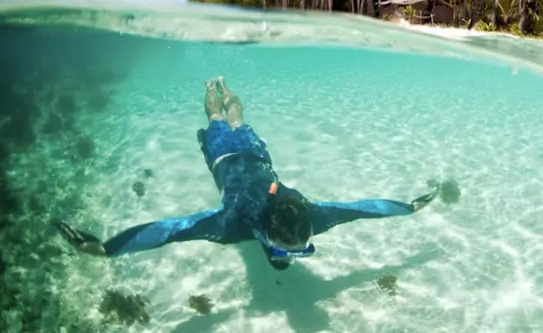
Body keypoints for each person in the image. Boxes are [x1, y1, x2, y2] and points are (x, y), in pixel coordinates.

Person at [56, 77, 439, 270]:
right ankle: (213, 88)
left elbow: (360, 209)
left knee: (237, 114)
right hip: (225, 156)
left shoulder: (312, 220)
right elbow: (170, 231)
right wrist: (107, 249)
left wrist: (408, 207)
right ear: (265, 233)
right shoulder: (233, 223)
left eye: (303, 250)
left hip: (255, 154)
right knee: (218, 115)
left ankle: (224, 85)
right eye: (283, 250)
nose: (293, 254)